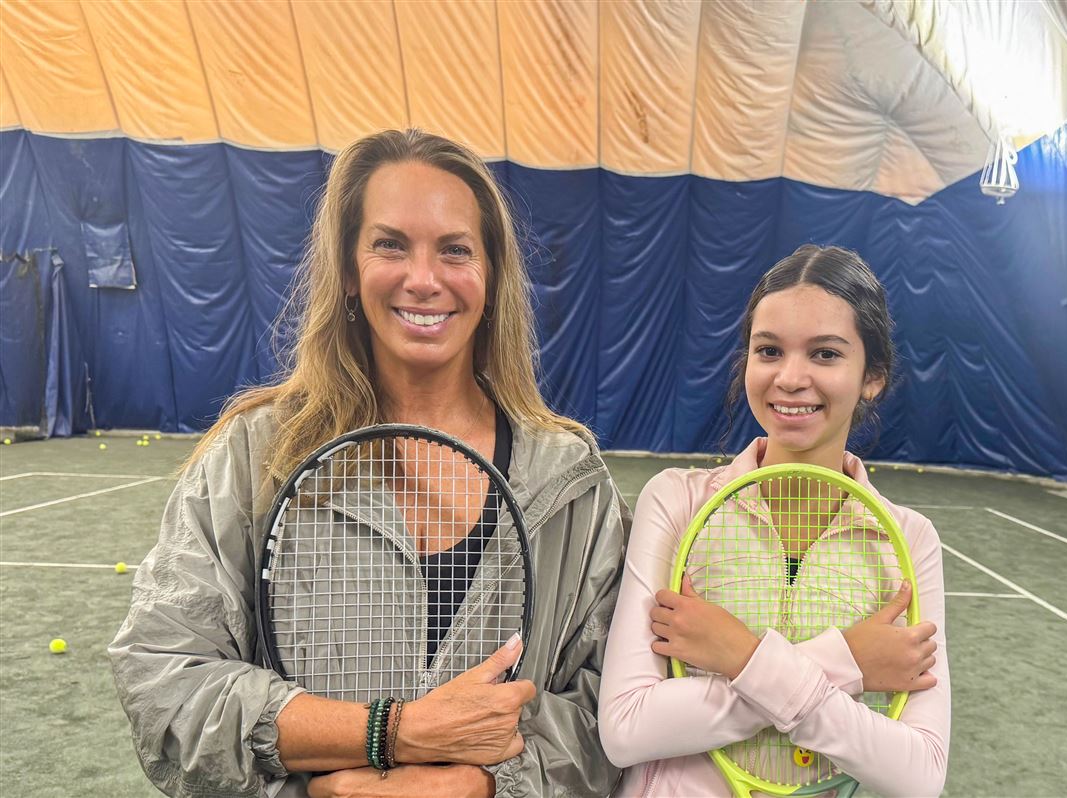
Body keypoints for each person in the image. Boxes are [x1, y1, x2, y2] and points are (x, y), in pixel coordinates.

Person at [109, 129, 628, 798]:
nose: (423, 278)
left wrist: (482, 784)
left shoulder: (572, 480)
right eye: (390, 245)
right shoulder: (253, 455)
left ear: (492, 278)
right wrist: (384, 735)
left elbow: (609, 711)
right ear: (349, 271)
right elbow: (163, 679)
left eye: (455, 250)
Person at [598, 244, 950, 797]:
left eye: (825, 354)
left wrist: (736, 653)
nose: (790, 377)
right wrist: (849, 661)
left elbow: (920, 774)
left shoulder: (909, 540)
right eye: (769, 351)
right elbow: (625, 727)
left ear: (873, 376)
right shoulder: (674, 501)